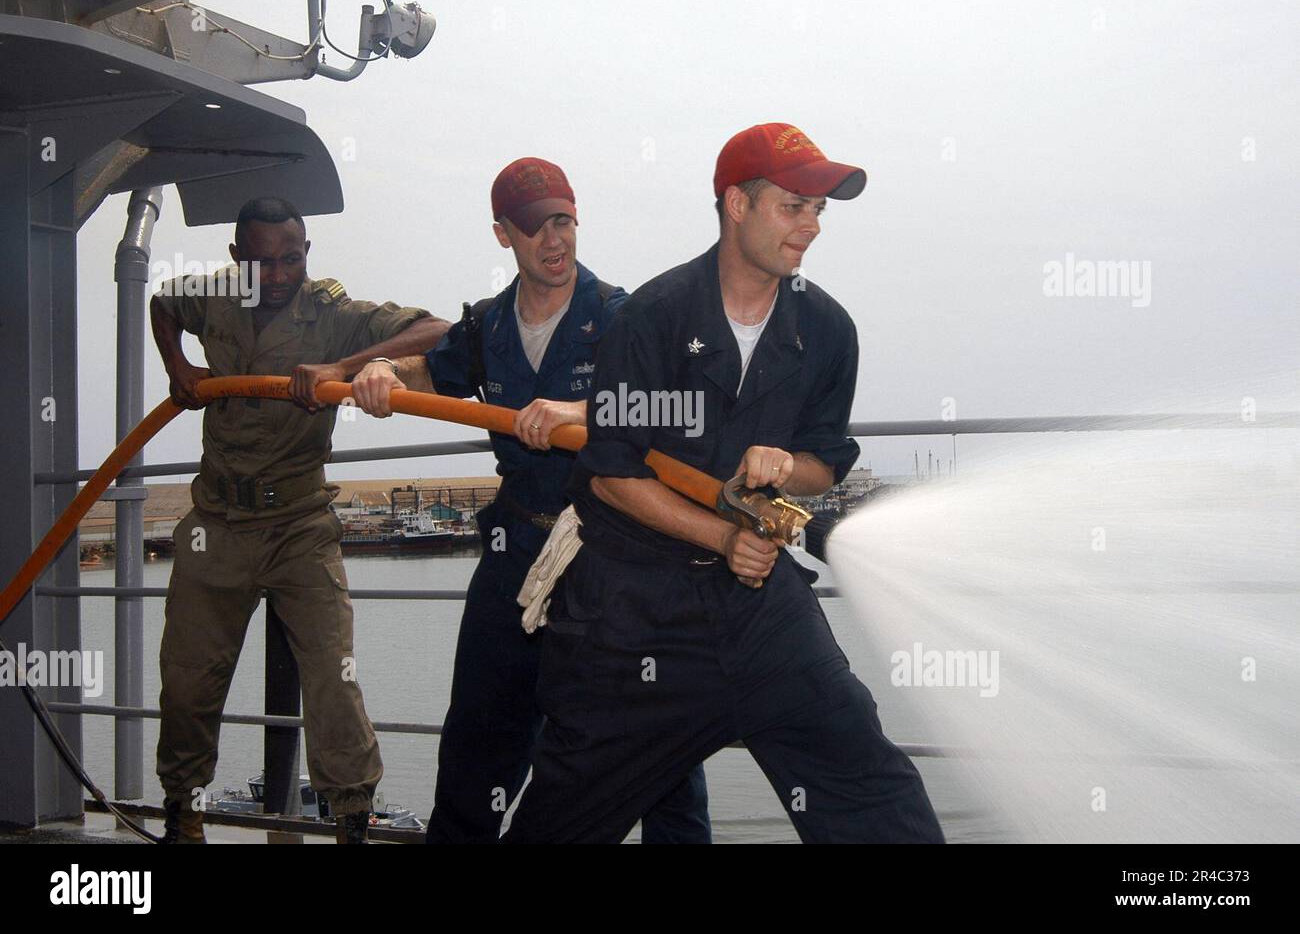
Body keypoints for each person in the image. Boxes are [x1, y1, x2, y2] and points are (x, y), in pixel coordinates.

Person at [501, 124, 945, 843]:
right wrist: (721, 533)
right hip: (633, 616)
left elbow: (824, 461)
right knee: (562, 818)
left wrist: (785, 466)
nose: (811, 227)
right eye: (794, 207)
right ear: (737, 204)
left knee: (871, 790)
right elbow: (612, 475)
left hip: (761, 613)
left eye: (819, 210)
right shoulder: (650, 319)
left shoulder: (829, 331)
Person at [351, 157, 711, 843]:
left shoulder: (621, 317)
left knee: (656, 732)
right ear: (502, 237)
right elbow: (433, 367)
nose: (554, 241)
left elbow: (677, 405)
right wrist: (382, 370)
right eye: (535, 228)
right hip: (515, 548)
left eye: (563, 222)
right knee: (479, 731)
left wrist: (576, 407)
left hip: (612, 550)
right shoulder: (489, 327)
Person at [150, 196, 450, 843]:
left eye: (291, 259)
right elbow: (164, 305)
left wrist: (346, 367)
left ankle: (350, 820)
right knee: (187, 679)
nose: (279, 276)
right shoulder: (214, 296)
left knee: (333, 677)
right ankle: (184, 811)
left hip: (300, 524)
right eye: (261, 263)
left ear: (307, 254)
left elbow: (439, 331)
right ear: (236, 260)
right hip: (217, 521)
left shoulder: (334, 313)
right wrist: (179, 367)